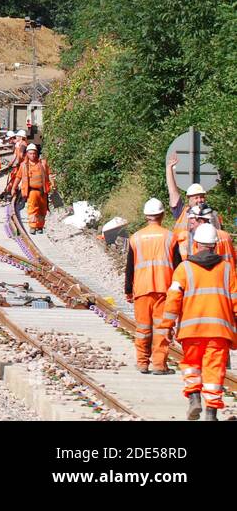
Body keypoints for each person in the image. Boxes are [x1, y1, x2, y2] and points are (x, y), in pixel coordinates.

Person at [161, 222, 237, 420]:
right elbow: (236, 300)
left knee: (192, 365)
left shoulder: (183, 269)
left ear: (195, 244)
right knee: (215, 370)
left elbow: (173, 298)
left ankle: (194, 398)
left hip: (191, 330)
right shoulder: (227, 269)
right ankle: (211, 412)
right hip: (219, 331)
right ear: (215, 245)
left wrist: (167, 326)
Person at [124, 198, 175, 375]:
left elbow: (129, 267)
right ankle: (159, 365)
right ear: (162, 215)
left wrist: (128, 290)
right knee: (162, 328)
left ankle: (142, 362)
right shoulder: (170, 237)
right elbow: (178, 266)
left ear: (146, 216)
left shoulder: (136, 238)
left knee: (143, 328)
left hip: (142, 288)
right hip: (165, 289)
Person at [166, 151, 224, 232]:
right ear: (188, 198)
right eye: (196, 197)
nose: (200, 200)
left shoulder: (213, 215)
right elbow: (173, 192)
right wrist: (169, 168)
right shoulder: (181, 212)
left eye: (202, 197)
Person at [13, 143, 52, 233]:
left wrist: (53, 185)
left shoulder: (43, 163)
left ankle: (40, 226)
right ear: (27, 154)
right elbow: (18, 177)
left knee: (42, 210)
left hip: (43, 191)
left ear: (37, 153)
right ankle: (33, 226)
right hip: (32, 191)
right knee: (32, 208)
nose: (32, 155)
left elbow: (49, 174)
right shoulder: (24, 165)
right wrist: (13, 188)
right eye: (30, 153)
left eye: (34, 153)